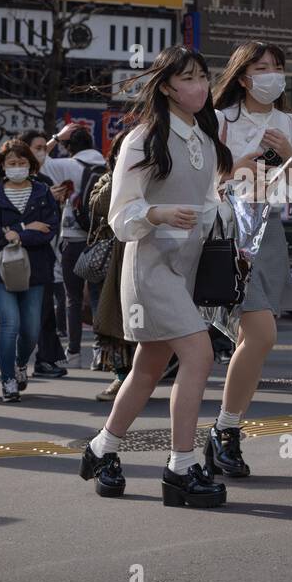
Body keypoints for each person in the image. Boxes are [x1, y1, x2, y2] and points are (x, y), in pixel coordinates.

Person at [77, 46, 231, 508]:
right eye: (188, 79)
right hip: (149, 265)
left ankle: (101, 449)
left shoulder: (205, 139)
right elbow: (121, 212)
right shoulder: (142, 139)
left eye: (204, 77)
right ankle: (181, 468)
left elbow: (208, 207)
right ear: (166, 86)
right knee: (199, 355)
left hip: (185, 267)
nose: (200, 87)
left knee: (147, 368)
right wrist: (159, 212)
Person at [206, 40, 292, 476]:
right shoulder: (217, 121)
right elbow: (200, 183)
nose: (271, 75)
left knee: (258, 339)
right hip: (222, 235)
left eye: (277, 67)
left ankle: (224, 432)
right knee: (259, 336)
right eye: (260, 67)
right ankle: (219, 434)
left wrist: (289, 158)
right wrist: (234, 169)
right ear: (242, 75)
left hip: (266, 235)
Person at [0, 139, 60, 402]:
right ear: (2, 166)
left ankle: (21, 363)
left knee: (31, 329)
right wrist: (26, 230)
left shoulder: (43, 191)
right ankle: (8, 381)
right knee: (9, 323)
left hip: (36, 268)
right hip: (0, 268)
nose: (17, 167)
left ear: (31, 165)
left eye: (22, 163)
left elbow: (49, 230)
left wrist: (14, 233)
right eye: (11, 163)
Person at [46, 124, 109, 367]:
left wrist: (55, 137)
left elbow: (37, 163)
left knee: (72, 298)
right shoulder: (105, 165)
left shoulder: (68, 165)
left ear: (69, 147)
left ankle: (73, 354)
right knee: (99, 298)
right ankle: (101, 354)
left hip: (73, 238)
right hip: (101, 240)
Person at [17, 128, 72, 378]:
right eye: (36, 148)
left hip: (42, 255)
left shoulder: (47, 182)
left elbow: (50, 223)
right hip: (12, 256)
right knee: (11, 314)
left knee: (43, 308)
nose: (41, 153)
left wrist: (55, 202)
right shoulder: (10, 181)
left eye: (43, 148)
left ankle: (46, 359)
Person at [86, 131, 135, 402]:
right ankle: (120, 376)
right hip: (110, 264)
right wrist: (120, 174)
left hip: (144, 256)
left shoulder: (153, 176)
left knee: (144, 321)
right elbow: (98, 207)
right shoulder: (106, 179)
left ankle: (141, 375)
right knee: (111, 322)